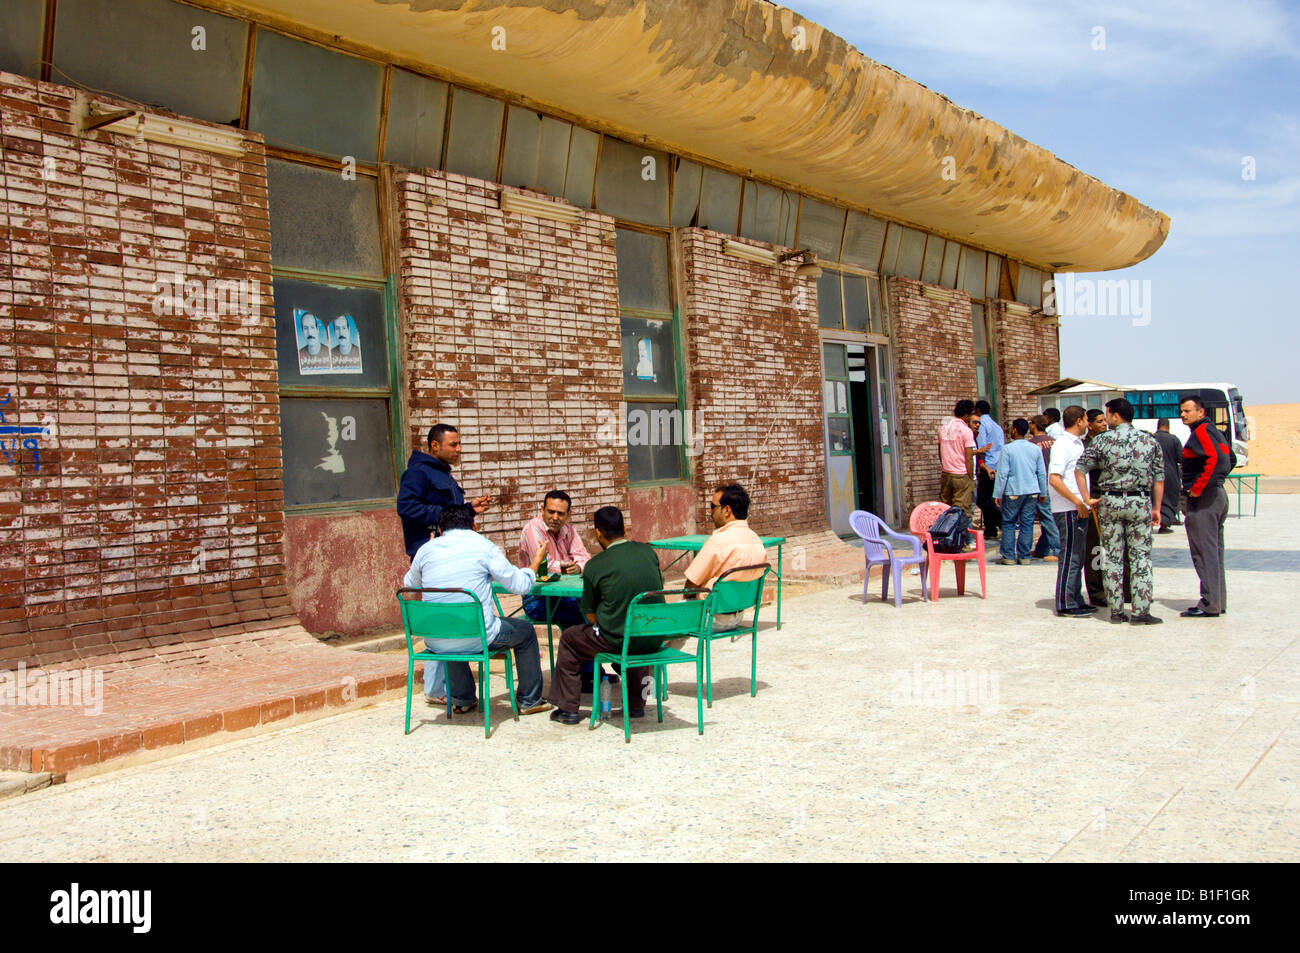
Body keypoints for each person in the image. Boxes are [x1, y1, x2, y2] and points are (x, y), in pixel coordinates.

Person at [404, 505, 551, 715]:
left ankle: (462, 698)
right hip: (478, 636)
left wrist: (425, 555)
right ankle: (530, 699)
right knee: (525, 631)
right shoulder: (484, 547)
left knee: (451, 625)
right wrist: (535, 563)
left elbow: (410, 584)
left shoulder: (426, 550)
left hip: (435, 640)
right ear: (474, 525)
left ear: (440, 530)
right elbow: (519, 585)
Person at [397, 424, 492, 703]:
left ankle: (442, 687)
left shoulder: (442, 475)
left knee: (450, 615)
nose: (459, 449)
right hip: (432, 552)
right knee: (441, 616)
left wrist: (468, 510)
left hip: (450, 549)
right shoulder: (417, 473)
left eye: (460, 443)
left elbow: (450, 514)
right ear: (434, 446)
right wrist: (446, 515)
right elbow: (406, 507)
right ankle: (436, 689)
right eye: (454, 444)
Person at [548, 506, 664, 725]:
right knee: (636, 631)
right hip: (654, 634)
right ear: (625, 528)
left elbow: (591, 617)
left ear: (598, 532)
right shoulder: (648, 552)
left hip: (619, 639)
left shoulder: (595, 565)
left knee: (571, 638)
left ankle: (568, 709)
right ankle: (637, 705)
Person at [1075, 398, 1165, 625]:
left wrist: (1087, 498)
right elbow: (1159, 479)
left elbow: (1080, 470)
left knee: (1112, 558)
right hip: (1140, 502)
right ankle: (1141, 611)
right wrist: (1157, 508)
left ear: (1116, 415)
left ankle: (1116, 611)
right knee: (1141, 558)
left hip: (1110, 503)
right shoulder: (1148, 440)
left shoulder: (1102, 440)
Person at [683, 483, 768, 630]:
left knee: (662, 624)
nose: (710, 512)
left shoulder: (718, 541)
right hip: (738, 616)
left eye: (713, 506)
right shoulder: (756, 540)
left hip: (710, 618)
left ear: (727, 510)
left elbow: (690, 587)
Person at [1178, 395, 1233, 618]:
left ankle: (1210, 602)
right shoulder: (1214, 432)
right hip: (1217, 495)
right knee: (1214, 552)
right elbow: (1230, 459)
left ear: (1201, 412)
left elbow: (1216, 458)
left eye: (1187, 411)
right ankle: (1217, 601)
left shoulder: (1202, 432)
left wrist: (1198, 488)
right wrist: (1217, 480)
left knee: (1203, 552)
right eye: (1181, 411)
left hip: (1205, 500)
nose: (1183, 415)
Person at [517, 490, 592, 627]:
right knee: (584, 612)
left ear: (568, 515)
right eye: (551, 512)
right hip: (536, 598)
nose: (555, 517)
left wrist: (578, 567)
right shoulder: (532, 529)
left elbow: (585, 557)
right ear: (542, 510)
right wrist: (567, 566)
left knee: (595, 604)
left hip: (565, 592)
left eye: (560, 513)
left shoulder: (569, 530)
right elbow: (545, 564)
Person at [1047, 406, 1095, 617]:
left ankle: (1075, 597)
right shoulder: (1063, 444)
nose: (1088, 423)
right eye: (1086, 419)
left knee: (1078, 555)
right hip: (1068, 508)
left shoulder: (1076, 444)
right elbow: (1054, 478)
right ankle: (1066, 602)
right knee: (1070, 556)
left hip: (1077, 506)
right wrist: (1076, 501)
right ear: (1079, 421)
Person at [991, 419, 1048, 565]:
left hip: (1013, 490)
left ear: (1015, 430)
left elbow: (1002, 473)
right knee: (1027, 523)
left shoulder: (1007, 449)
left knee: (1009, 522)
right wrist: (1043, 492)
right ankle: (1024, 556)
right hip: (1032, 490)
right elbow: (1041, 472)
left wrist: (997, 494)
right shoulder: (1035, 448)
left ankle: (1009, 556)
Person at [938, 399, 989, 517]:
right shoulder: (966, 431)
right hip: (961, 474)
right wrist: (971, 478)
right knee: (962, 511)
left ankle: (945, 533)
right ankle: (963, 535)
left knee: (945, 509)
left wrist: (946, 466)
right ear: (966, 415)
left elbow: (940, 452)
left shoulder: (943, 429)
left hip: (946, 474)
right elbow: (969, 457)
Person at [1027, 415, 1060, 561]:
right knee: (1049, 517)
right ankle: (1042, 548)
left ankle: (1058, 549)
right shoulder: (1054, 442)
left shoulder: (1031, 444)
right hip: (1056, 483)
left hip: (1041, 484)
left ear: (1034, 425)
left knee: (1047, 518)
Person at [974, 400, 1005, 540]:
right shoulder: (997, 426)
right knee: (989, 498)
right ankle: (990, 529)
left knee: (981, 499)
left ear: (979, 410)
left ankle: (1001, 519)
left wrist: (982, 465)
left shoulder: (982, 424)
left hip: (988, 465)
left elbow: (981, 446)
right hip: (997, 464)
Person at [1152, 418, 1183, 532]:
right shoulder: (1174, 439)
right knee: (1170, 498)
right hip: (1170, 474)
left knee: (1153, 498)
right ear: (1168, 427)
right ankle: (1164, 525)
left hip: (1153, 473)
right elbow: (1181, 458)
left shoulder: (1151, 438)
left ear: (1158, 426)